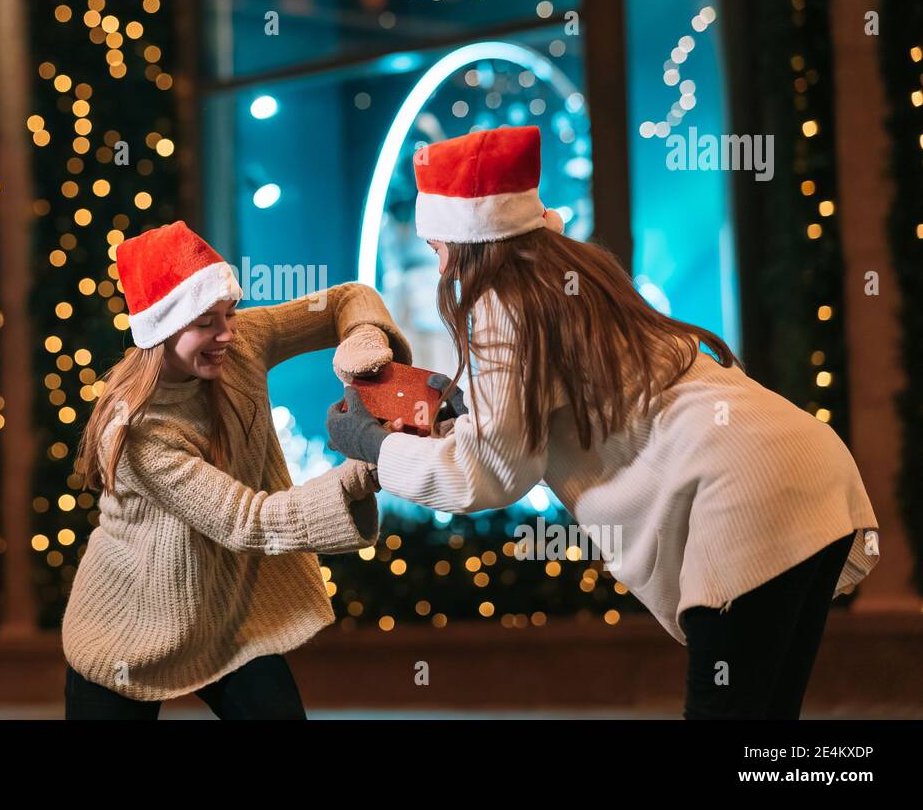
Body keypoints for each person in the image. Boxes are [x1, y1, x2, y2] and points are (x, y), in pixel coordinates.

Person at [327, 125, 879, 719]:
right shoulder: (577, 272)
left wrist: (375, 446)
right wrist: (468, 414)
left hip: (744, 499)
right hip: (809, 467)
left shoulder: (499, 302)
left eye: (436, 244)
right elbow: (558, 412)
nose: (436, 262)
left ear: (465, 237)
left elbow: (486, 475)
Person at [62, 221, 411, 718]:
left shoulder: (242, 340)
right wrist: (366, 469)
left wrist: (362, 338)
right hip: (129, 629)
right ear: (161, 327)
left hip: (227, 613)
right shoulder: (138, 430)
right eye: (206, 322)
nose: (226, 333)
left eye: (229, 312)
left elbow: (345, 298)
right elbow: (250, 521)